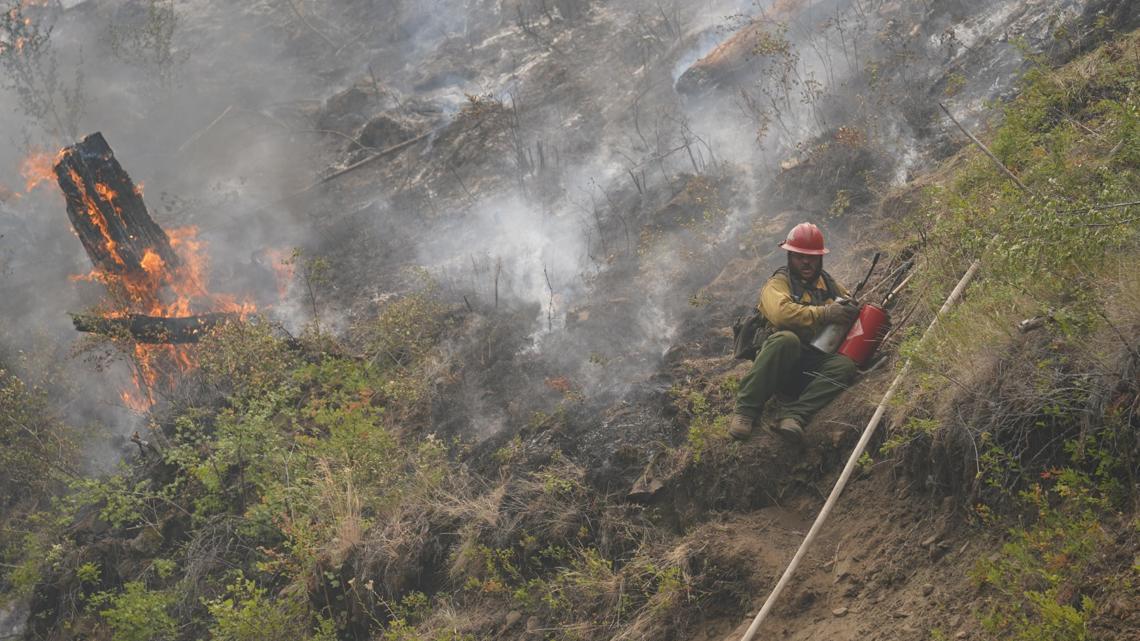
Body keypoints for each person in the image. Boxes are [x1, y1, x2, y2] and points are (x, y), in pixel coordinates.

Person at [728, 222, 859, 441]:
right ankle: (745, 412)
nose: (806, 262)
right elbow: (782, 315)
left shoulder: (829, 284)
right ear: (790, 256)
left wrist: (855, 311)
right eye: (800, 256)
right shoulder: (777, 284)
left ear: (820, 258)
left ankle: (794, 415)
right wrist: (825, 313)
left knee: (844, 365)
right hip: (777, 367)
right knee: (786, 340)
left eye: (812, 257)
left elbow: (848, 304)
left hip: (811, 366)